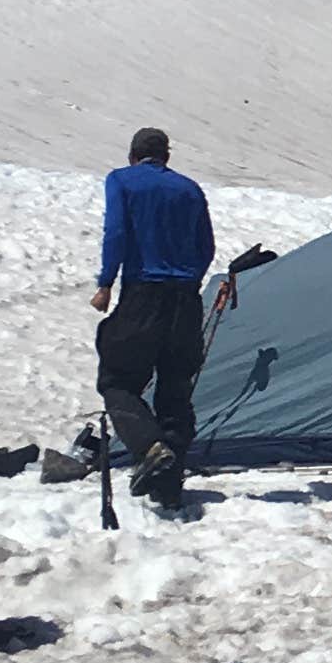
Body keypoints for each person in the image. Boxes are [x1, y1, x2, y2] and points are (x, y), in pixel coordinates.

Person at [93, 125, 215, 502]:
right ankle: (169, 486)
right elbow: (206, 246)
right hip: (185, 299)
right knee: (175, 389)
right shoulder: (190, 189)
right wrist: (190, 280)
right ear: (167, 155)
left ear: (133, 154)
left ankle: (148, 449)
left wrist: (106, 282)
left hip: (144, 292)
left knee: (118, 380)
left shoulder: (122, 181)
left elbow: (116, 233)